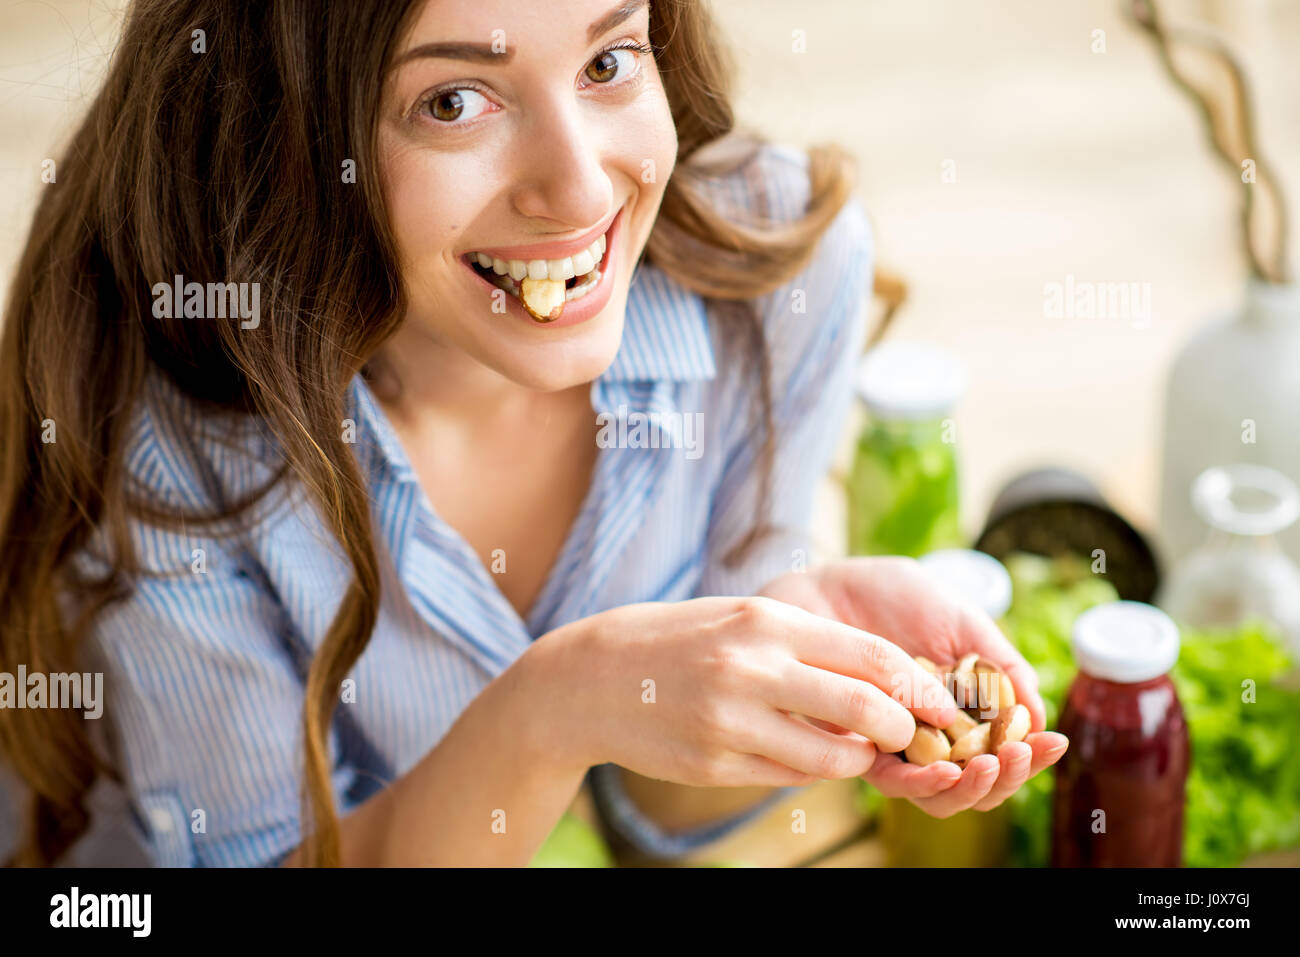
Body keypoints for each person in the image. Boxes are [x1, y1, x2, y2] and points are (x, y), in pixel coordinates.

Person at [0, 0, 1066, 867]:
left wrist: (770, 640)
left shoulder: (779, 279)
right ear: (282, 136)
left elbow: (661, 818)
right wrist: (558, 704)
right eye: (454, 100)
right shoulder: (165, 438)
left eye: (608, 62)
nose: (579, 187)